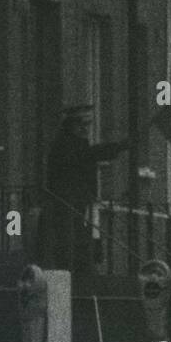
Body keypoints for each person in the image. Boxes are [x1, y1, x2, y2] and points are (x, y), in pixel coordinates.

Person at [42, 105, 129, 271]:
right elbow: (87, 155)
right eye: (81, 124)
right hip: (66, 202)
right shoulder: (64, 144)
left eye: (87, 125)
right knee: (69, 242)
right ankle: (71, 277)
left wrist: (117, 147)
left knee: (83, 241)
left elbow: (89, 155)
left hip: (80, 202)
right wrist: (116, 147)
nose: (85, 129)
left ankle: (83, 276)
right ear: (71, 125)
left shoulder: (77, 143)